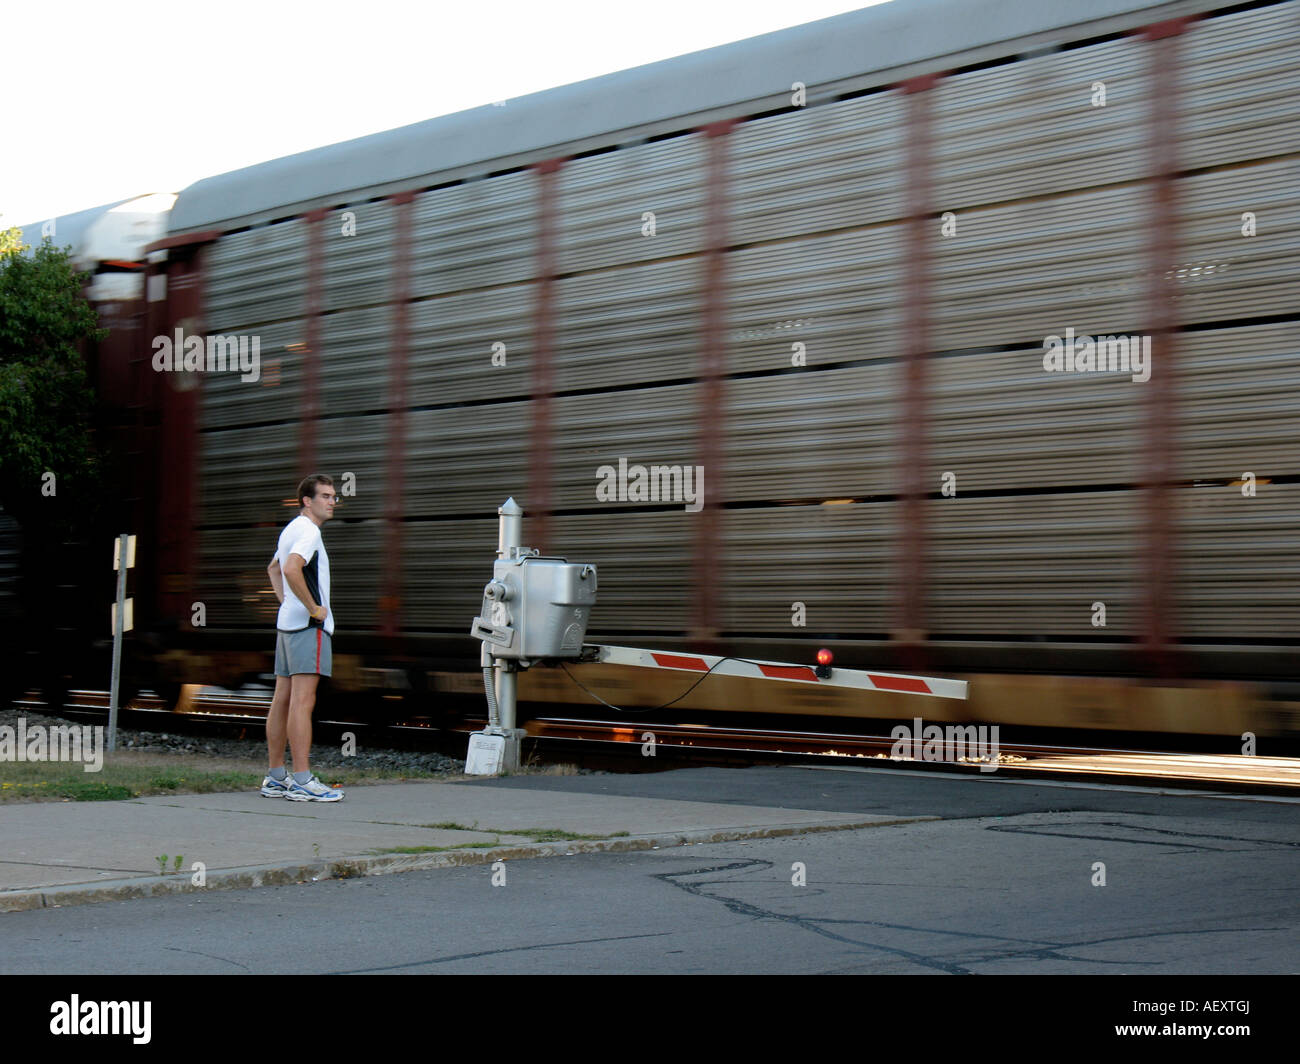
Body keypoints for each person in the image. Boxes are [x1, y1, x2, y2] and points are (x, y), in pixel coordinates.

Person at [262, 474, 344, 801]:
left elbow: (273, 568)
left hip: (286, 626)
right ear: (307, 501)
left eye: (334, 496)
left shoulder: (291, 528)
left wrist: (288, 603)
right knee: (302, 703)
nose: (332, 501)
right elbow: (291, 568)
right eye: (325, 496)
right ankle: (302, 780)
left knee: (282, 700)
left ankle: (276, 776)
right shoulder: (309, 531)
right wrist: (313, 607)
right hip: (309, 628)